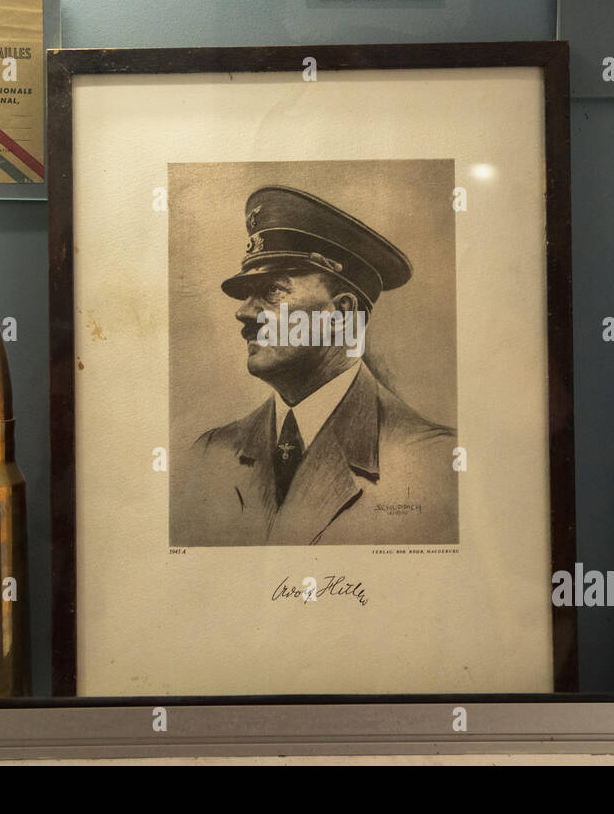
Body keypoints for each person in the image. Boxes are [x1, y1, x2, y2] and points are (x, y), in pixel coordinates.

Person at [172, 185, 458, 547]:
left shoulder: (432, 461)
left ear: (341, 314)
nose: (243, 312)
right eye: (247, 294)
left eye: (273, 290)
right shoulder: (210, 454)